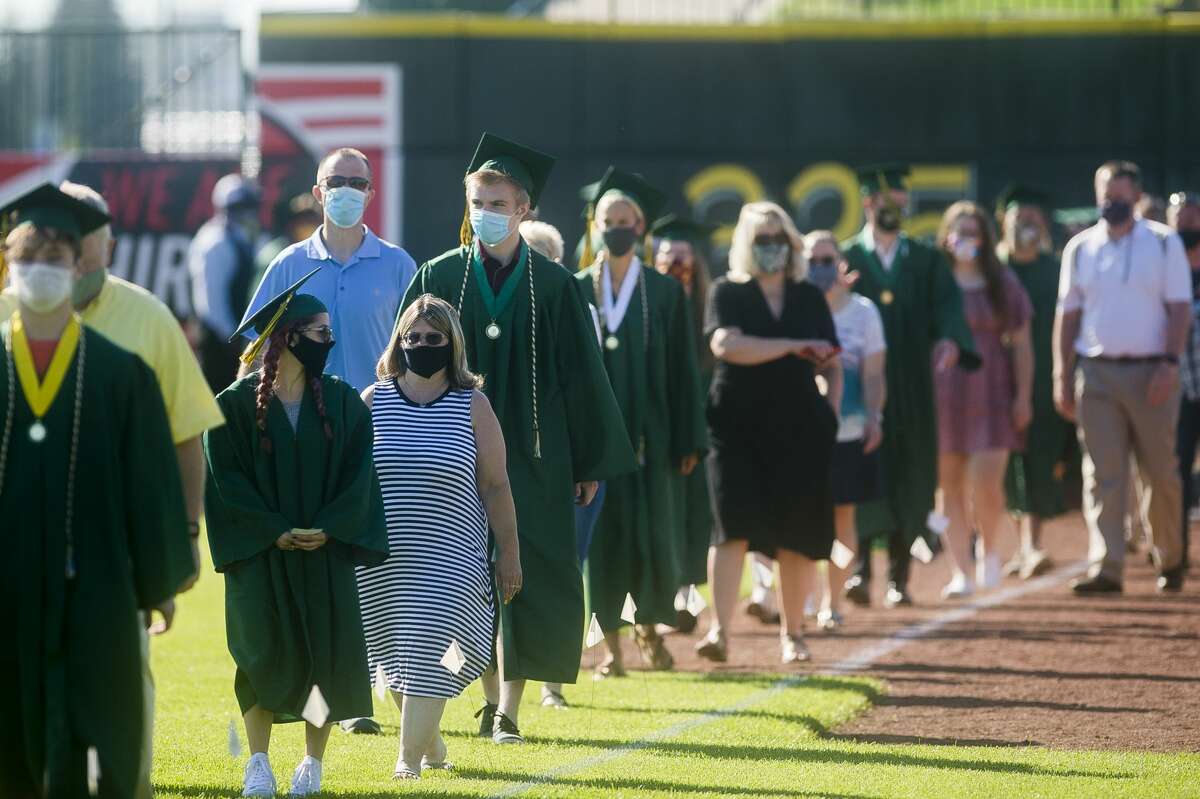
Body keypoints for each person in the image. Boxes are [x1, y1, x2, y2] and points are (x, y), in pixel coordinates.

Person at [401, 133, 635, 744]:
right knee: (461, 576)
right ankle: (476, 695)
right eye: (478, 199)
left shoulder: (555, 285)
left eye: (499, 201)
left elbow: (585, 378)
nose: (487, 211)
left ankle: (509, 706)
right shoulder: (440, 274)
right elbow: (400, 359)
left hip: (536, 454)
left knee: (523, 572)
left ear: (524, 209)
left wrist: (587, 460)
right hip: (452, 451)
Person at [0, 180, 225, 798]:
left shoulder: (120, 372)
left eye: (54, 258)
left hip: (98, 587)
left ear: (79, 264)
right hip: (7, 589)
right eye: (27, 258)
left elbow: (148, 481)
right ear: (8, 264)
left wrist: (163, 574)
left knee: (101, 734)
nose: (40, 271)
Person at [203, 272, 388, 796]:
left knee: (320, 659)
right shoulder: (234, 406)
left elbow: (360, 477)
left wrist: (329, 528)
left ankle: (311, 763)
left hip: (322, 553)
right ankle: (257, 763)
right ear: (285, 337)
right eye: (317, 331)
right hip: (260, 555)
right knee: (259, 655)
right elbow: (225, 483)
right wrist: (274, 531)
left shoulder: (344, 402)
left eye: (329, 331)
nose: (327, 341)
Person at [357, 294, 521, 779]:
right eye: (413, 338)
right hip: (382, 560)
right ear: (398, 342)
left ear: (453, 345)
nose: (423, 345)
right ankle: (432, 746)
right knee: (398, 665)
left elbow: (496, 484)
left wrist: (508, 553)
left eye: (434, 338)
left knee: (428, 649)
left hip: (452, 558)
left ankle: (407, 762)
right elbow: (350, 481)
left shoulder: (473, 404)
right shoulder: (373, 399)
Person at [576, 169, 708, 677]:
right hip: (598, 445)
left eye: (625, 220)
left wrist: (689, 436)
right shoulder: (577, 288)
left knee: (652, 540)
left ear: (641, 225)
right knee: (603, 547)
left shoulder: (663, 293)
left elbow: (684, 372)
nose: (616, 228)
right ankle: (611, 650)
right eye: (608, 220)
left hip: (651, 441)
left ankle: (649, 628)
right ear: (595, 225)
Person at [698, 201, 842, 665]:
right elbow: (727, 346)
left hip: (799, 427)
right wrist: (792, 346)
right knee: (730, 528)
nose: (772, 248)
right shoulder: (728, 290)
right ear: (745, 243)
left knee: (796, 533)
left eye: (778, 238)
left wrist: (830, 414)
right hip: (734, 425)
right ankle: (719, 631)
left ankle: (793, 634)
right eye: (762, 239)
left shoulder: (808, 297)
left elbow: (832, 361)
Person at [842, 164, 979, 608]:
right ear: (868, 204)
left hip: (914, 387)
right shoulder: (847, 260)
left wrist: (950, 342)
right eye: (886, 203)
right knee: (861, 474)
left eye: (901, 204)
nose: (894, 210)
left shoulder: (924, 260)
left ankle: (900, 578)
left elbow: (948, 309)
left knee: (909, 475)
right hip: (858, 385)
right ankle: (859, 574)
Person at [1054, 160, 1190, 594]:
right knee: (1102, 472)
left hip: (1152, 371)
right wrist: (1061, 372)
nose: (1112, 203)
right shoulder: (1080, 248)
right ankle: (1107, 565)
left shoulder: (1165, 245)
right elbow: (1068, 314)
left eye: (1120, 195)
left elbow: (1180, 308)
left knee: (1160, 472)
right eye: (1106, 195)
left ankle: (1169, 558)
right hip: (1097, 373)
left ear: (1136, 196)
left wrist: (1169, 363)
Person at [243, 148, 418, 396]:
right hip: (304, 421)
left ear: (369, 195)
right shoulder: (288, 263)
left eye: (357, 183)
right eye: (335, 182)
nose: (346, 190)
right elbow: (257, 348)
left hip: (378, 420)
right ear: (318, 193)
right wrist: (248, 419)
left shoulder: (399, 265)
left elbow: (420, 348)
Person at [934, 201, 1034, 598]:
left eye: (974, 232)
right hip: (944, 393)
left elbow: (1023, 343)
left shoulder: (1002, 281)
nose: (966, 240)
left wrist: (1023, 395)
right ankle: (960, 569)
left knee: (987, 483)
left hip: (991, 390)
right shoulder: (936, 282)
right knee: (949, 487)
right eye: (959, 231)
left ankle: (990, 551)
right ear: (946, 236)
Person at [519, 217, 598, 709]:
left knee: (564, 567)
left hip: (562, 458)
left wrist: (584, 458)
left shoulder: (575, 308)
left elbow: (587, 388)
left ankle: (552, 683)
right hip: (510, 459)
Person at [803, 230, 886, 630]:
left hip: (847, 431)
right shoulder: (792, 306)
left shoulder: (864, 312)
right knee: (796, 515)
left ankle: (831, 601)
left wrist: (875, 416)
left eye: (826, 259)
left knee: (842, 518)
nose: (819, 267)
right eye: (811, 259)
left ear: (841, 263)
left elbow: (873, 373)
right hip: (798, 432)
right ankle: (793, 599)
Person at [996, 184, 1076, 580]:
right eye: (1018, 217)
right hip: (993, 383)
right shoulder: (992, 270)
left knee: (1038, 457)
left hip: (1045, 378)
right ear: (1003, 222)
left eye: (1033, 218)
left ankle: (1033, 543)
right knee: (1007, 465)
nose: (1026, 224)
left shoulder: (1057, 269)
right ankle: (1022, 545)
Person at [652, 214, 718, 633]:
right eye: (668, 257)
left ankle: (689, 600)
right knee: (666, 516)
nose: (677, 265)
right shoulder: (650, 305)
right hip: (659, 428)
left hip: (704, 431)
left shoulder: (708, 309)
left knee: (698, 518)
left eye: (684, 257)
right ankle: (659, 601)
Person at [189, 173, 262, 392]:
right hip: (219, 344)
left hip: (232, 341)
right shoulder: (215, 242)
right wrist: (232, 339)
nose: (247, 213)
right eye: (240, 206)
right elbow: (211, 303)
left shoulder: (240, 238)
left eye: (250, 206)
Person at [1171, 191, 1200, 571]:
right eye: (1181, 223)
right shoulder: (1163, 267)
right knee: (1174, 473)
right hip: (1176, 389)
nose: (1188, 229)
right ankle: (1175, 557)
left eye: (1194, 222)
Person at [254, 192, 323, 294]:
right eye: (301, 220)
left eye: (311, 220)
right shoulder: (274, 254)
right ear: (291, 224)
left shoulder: (324, 255)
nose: (306, 225)